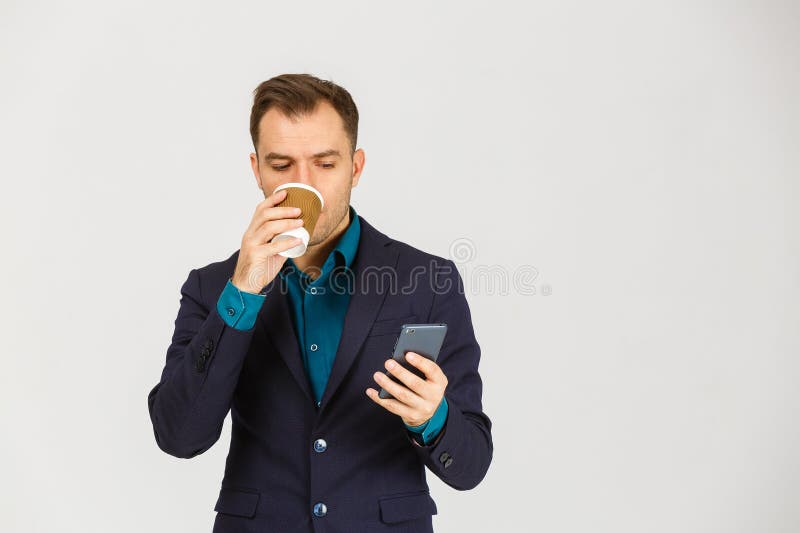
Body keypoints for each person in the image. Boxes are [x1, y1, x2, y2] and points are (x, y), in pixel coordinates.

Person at [147, 73, 493, 532]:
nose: (303, 184)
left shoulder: (427, 281)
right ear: (256, 170)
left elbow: (471, 466)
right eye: (281, 164)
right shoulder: (212, 288)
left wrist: (433, 417)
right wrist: (244, 291)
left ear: (356, 166)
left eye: (325, 164)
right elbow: (178, 436)